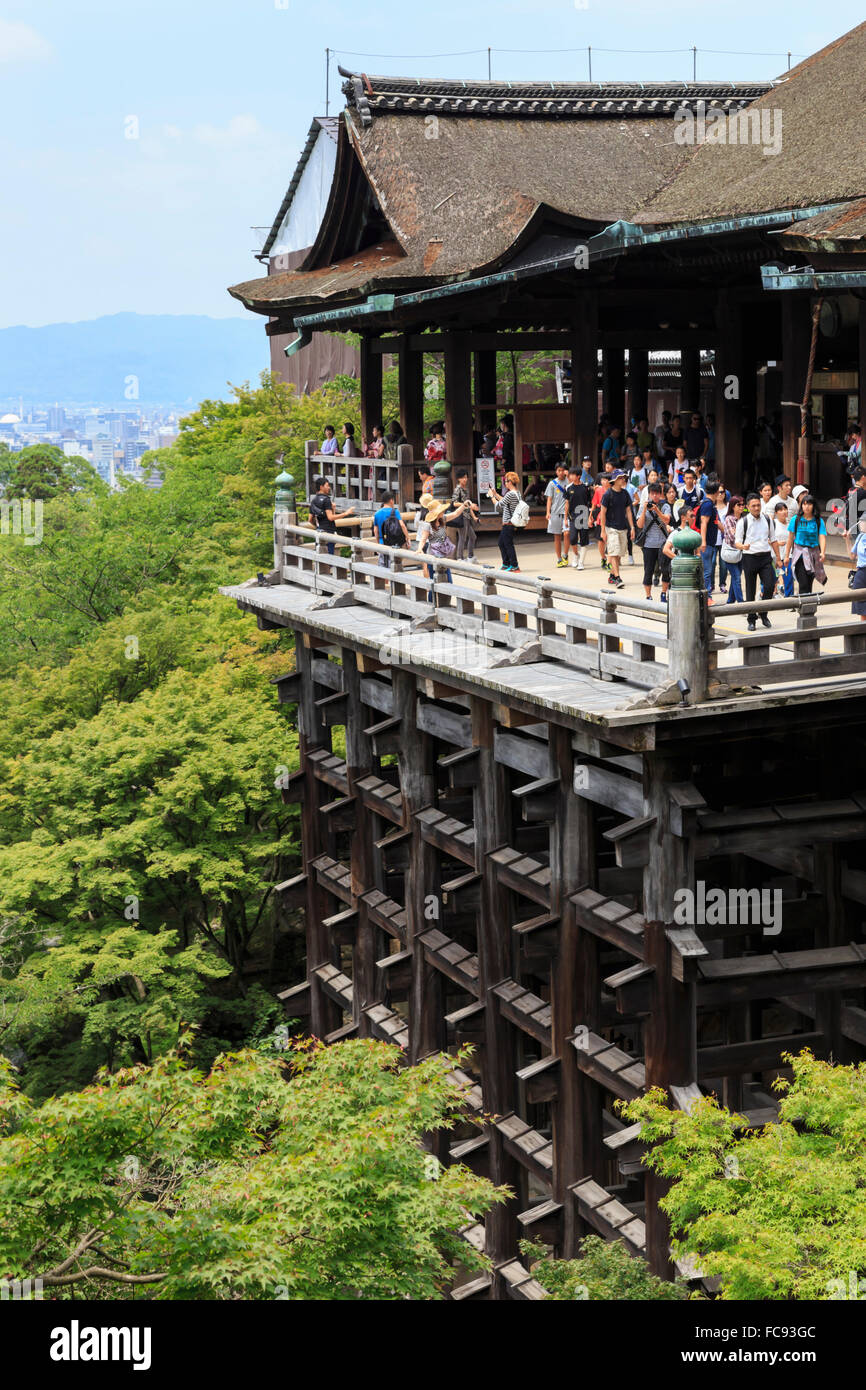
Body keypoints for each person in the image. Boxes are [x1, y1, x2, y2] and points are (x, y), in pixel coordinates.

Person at [735, 492, 779, 631]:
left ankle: (763, 613)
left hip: (766, 556)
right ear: (748, 507)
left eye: (758, 505)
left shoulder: (767, 519)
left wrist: (778, 557)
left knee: (770, 585)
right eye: (753, 506)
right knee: (750, 590)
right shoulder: (743, 522)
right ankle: (751, 619)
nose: (756, 508)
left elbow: (773, 539)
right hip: (749, 558)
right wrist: (743, 546)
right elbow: (737, 542)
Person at [783, 493, 827, 595]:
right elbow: (790, 539)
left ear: (813, 506)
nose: (806, 507)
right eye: (804, 504)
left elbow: (822, 537)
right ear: (801, 505)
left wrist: (823, 552)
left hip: (814, 555)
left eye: (809, 504)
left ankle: (808, 608)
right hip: (800, 555)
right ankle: (804, 608)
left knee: (809, 583)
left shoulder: (818, 521)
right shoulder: (796, 519)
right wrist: (786, 556)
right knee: (803, 584)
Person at [599, 470, 635, 590]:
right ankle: (618, 578)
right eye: (621, 478)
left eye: (624, 478)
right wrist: (603, 530)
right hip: (611, 527)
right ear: (615, 480)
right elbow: (602, 513)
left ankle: (612, 575)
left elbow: (628, 511)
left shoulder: (625, 494)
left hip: (623, 527)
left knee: (619, 553)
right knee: (613, 552)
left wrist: (632, 527)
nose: (623, 480)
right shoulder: (608, 494)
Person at [637, 482, 672, 600]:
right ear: (649, 494)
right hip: (648, 544)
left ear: (661, 494)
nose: (655, 496)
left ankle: (663, 593)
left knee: (665, 570)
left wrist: (657, 510)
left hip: (663, 544)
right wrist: (644, 510)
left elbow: (667, 520)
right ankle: (648, 596)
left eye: (657, 494)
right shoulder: (643, 506)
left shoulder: (665, 506)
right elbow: (640, 525)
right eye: (653, 494)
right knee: (648, 571)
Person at [309, 476, 354, 556]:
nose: (329, 488)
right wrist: (346, 513)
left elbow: (310, 519)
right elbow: (330, 518)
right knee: (329, 556)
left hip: (319, 531)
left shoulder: (314, 500)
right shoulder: (326, 500)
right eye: (327, 485)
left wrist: (333, 509)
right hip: (328, 531)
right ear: (321, 487)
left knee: (320, 556)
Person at [488, 471, 523, 571]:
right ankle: (507, 564)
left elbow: (498, 506)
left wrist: (491, 496)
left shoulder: (510, 494)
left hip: (508, 523)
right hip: (510, 524)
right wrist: (495, 494)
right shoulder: (516, 493)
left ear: (510, 482)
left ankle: (514, 565)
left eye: (506, 481)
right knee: (502, 543)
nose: (505, 483)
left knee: (507, 544)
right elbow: (504, 501)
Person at [697, 482, 722, 597]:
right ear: (716, 492)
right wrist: (703, 541)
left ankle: (706, 595)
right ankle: (706, 596)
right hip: (706, 544)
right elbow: (704, 523)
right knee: (706, 571)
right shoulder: (707, 505)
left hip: (710, 543)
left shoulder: (710, 504)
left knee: (708, 570)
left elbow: (716, 522)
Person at [565, 465, 592, 570]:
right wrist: (565, 519)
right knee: (572, 539)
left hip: (584, 516)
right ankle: (576, 555)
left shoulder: (585, 488)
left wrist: (590, 517)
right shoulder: (568, 488)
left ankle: (581, 562)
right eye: (570, 474)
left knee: (584, 540)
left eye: (572, 474)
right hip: (572, 517)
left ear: (578, 476)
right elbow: (566, 503)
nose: (570, 476)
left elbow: (589, 503)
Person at [373, 491, 410, 567]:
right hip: (395, 543)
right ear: (391, 500)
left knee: (383, 567)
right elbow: (402, 525)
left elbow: (376, 531)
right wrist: (407, 538)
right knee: (395, 565)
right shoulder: (395, 511)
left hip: (382, 542)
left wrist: (377, 543)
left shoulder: (377, 514)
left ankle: (385, 579)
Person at [721, 495, 745, 603]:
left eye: (742, 504)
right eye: (738, 505)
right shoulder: (729, 519)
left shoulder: (744, 519)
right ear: (732, 507)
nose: (741, 507)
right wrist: (743, 539)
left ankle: (730, 601)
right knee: (737, 578)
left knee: (736, 577)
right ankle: (741, 603)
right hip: (731, 553)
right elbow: (733, 537)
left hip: (741, 552)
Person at [545, 463, 570, 567]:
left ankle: (565, 555)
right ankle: (559, 559)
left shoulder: (569, 481)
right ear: (556, 471)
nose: (561, 472)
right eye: (559, 470)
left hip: (566, 513)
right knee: (557, 536)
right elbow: (549, 499)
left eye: (562, 470)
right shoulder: (552, 483)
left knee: (567, 534)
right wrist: (548, 512)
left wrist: (568, 475)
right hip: (555, 512)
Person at [451, 470, 478, 561]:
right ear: (459, 479)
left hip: (467, 516)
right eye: (463, 477)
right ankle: (460, 558)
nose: (465, 479)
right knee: (462, 538)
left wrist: (474, 517)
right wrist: (467, 505)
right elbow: (454, 503)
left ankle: (470, 556)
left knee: (472, 537)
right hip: (461, 516)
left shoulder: (466, 490)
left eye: (466, 477)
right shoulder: (458, 489)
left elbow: (468, 503)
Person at [771, 502, 795, 596]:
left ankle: (789, 599)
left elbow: (792, 539)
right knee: (774, 578)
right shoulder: (773, 523)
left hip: (788, 555)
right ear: (776, 513)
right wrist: (776, 543)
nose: (784, 512)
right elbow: (766, 539)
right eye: (781, 510)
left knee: (788, 577)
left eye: (785, 509)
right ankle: (765, 594)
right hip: (775, 556)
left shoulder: (790, 524)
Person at [591, 474, 612, 570]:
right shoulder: (598, 491)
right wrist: (590, 517)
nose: (603, 482)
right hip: (601, 517)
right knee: (601, 540)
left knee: (610, 540)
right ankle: (603, 557)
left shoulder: (613, 490)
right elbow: (594, 505)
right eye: (602, 480)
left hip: (612, 517)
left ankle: (610, 561)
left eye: (605, 480)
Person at [848, 515, 866, 621]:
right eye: (861, 521)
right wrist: (847, 539)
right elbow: (852, 556)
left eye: (863, 521)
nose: (861, 524)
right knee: (862, 609)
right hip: (861, 573)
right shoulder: (860, 537)